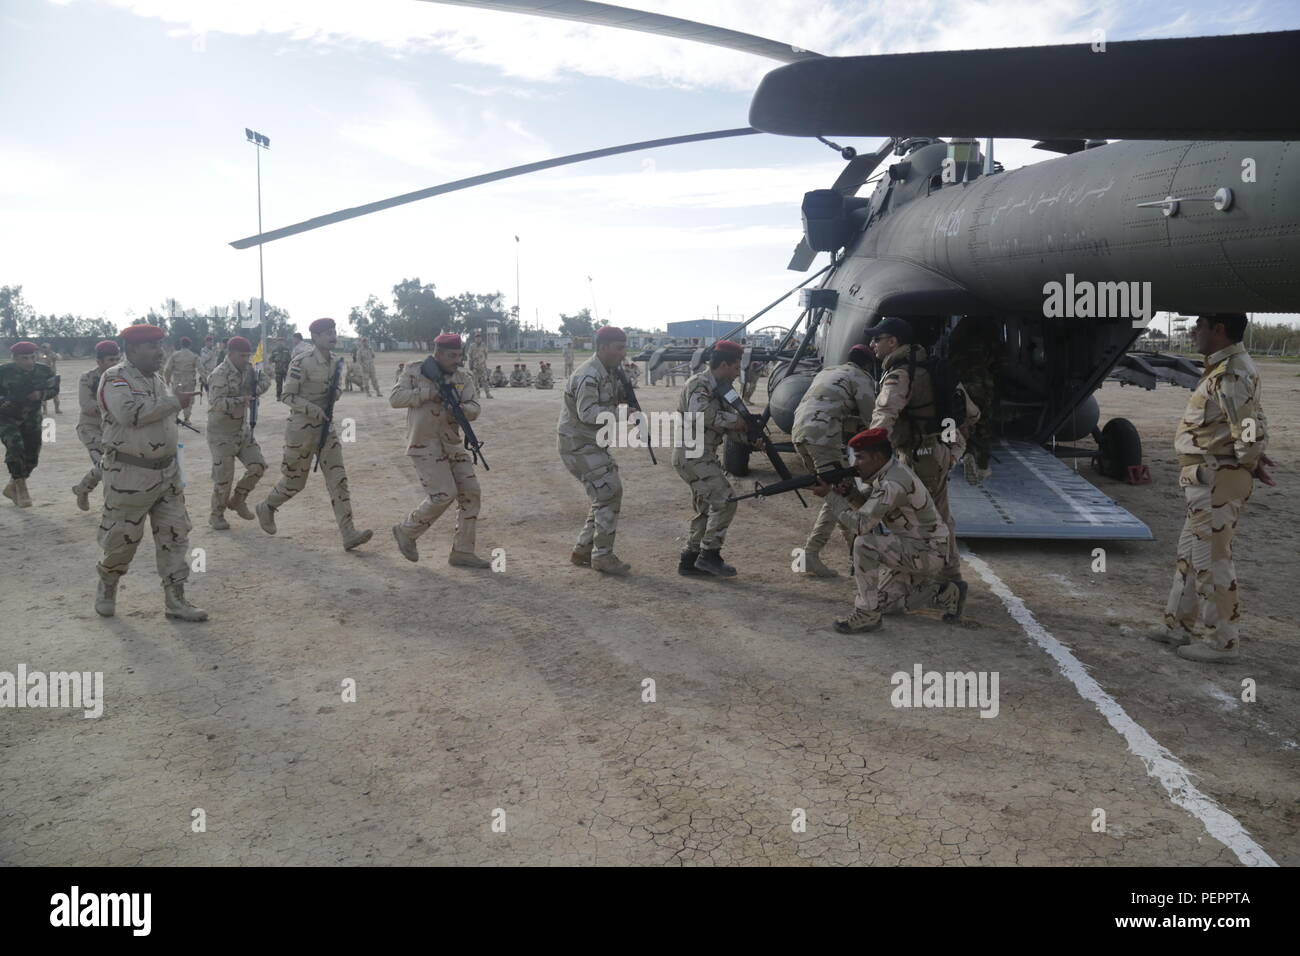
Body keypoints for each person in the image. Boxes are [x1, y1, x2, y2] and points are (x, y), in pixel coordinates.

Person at [1149, 313, 1273, 663]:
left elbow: (1248, 429)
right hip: (1208, 479)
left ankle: (1222, 641)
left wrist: (1249, 461)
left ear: (1218, 329)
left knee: (1212, 561)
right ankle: (1178, 625)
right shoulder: (1224, 367)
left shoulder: (1232, 371)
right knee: (1190, 556)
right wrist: (1252, 458)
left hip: (1217, 480)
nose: (1193, 331)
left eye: (1199, 326)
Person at [94, 324, 206, 620]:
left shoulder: (156, 378)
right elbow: (129, 415)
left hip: (167, 474)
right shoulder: (116, 378)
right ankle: (107, 583)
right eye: (152, 346)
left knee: (175, 535)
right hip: (130, 476)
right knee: (122, 541)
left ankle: (176, 599)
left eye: (160, 345)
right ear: (132, 349)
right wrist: (174, 402)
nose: (160, 352)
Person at [809, 427, 966, 634]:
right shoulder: (888, 472)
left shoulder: (892, 483)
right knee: (885, 604)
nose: (855, 464)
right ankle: (945, 592)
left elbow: (861, 525)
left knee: (864, 544)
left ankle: (866, 615)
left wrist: (830, 496)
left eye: (860, 458)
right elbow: (869, 507)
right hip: (916, 548)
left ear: (877, 457)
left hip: (926, 550)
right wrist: (848, 494)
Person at [869, 317, 977, 587]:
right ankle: (950, 578)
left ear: (893, 342)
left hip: (919, 458)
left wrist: (868, 455)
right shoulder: (934, 368)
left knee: (916, 522)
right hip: (938, 453)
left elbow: (884, 416)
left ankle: (912, 585)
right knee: (941, 518)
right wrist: (951, 445)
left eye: (877, 339)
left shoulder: (900, 374)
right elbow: (972, 413)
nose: (872, 344)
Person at [255, 317, 373, 551]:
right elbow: (287, 396)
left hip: (326, 430)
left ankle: (348, 532)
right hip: (301, 430)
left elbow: (337, 390)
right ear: (315, 337)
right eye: (327, 332)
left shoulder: (336, 362)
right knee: (295, 482)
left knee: (338, 479)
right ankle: (266, 507)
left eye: (334, 331)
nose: (332, 335)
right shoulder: (301, 361)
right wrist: (313, 409)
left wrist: (335, 393)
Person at [389, 333, 490, 569]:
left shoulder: (463, 377)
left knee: (471, 492)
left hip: (452, 443)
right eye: (452, 355)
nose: (457, 360)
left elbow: (475, 407)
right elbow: (395, 398)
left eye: (459, 355)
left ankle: (463, 551)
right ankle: (406, 531)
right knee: (443, 494)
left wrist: (460, 410)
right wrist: (427, 395)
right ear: (438, 354)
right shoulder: (414, 370)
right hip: (423, 444)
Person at [791, 343, 878, 577]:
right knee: (840, 492)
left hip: (799, 433)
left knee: (833, 492)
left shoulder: (827, 371)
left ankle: (850, 553)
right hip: (823, 438)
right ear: (868, 364)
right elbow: (873, 420)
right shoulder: (861, 377)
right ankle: (814, 553)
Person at [558, 325, 633, 575]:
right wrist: (621, 413)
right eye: (619, 348)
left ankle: (583, 549)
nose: (623, 353)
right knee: (610, 490)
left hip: (591, 444)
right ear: (603, 347)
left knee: (604, 493)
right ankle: (602, 555)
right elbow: (587, 413)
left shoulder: (609, 371)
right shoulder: (589, 375)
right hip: (579, 445)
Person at [672, 340, 750, 577]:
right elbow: (701, 414)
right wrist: (735, 422)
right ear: (724, 364)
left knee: (707, 508)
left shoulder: (724, 390)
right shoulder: (700, 383)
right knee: (726, 500)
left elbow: (726, 425)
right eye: (736, 368)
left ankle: (690, 560)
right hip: (692, 454)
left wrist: (748, 437)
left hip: (703, 454)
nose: (738, 374)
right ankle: (709, 555)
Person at [206, 335, 272, 530]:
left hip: (241, 431)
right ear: (231, 354)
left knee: (258, 466)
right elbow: (216, 403)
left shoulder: (248, 370)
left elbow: (258, 387)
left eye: (248, 355)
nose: (246, 359)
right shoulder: (220, 374)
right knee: (224, 478)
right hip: (221, 434)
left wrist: (261, 385)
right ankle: (216, 515)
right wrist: (240, 400)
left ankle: (237, 500)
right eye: (242, 355)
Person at [0, 341, 60, 507]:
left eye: (32, 357)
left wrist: (41, 394)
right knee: (15, 445)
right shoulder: (3, 372)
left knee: (32, 457)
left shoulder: (44, 370)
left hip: (32, 418)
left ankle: (12, 486)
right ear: (14, 358)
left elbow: (54, 388)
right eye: (24, 358)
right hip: (6, 417)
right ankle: (21, 487)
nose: (29, 361)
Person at [72, 339, 121, 511]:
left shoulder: (124, 376)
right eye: (110, 360)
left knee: (117, 465)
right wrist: (119, 406)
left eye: (117, 359)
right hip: (91, 428)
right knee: (106, 464)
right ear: (99, 362)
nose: (115, 363)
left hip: (114, 430)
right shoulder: (88, 378)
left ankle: (81, 488)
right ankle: (108, 505)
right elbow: (87, 407)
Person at [163, 335, 200, 423]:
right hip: (189, 382)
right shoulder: (194, 356)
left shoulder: (174, 355)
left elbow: (167, 369)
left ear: (181, 344)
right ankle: (187, 419)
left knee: (176, 399)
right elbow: (200, 369)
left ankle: (174, 417)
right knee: (189, 399)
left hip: (177, 381)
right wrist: (205, 380)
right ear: (189, 345)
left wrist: (167, 381)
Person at [468, 332, 493, 399]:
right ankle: (477, 394)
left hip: (482, 366)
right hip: (475, 366)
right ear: (475, 338)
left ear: (481, 338)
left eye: (479, 337)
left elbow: (486, 355)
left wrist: (483, 361)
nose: (478, 339)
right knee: (475, 381)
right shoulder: (472, 346)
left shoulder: (484, 345)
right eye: (476, 337)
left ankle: (488, 394)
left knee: (485, 380)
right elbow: (470, 356)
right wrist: (470, 365)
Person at [38, 342, 60, 415]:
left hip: (52, 375)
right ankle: (45, 410)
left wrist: (52, 355)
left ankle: (57, 409)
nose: (44, 349)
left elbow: (59, 358)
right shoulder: (40, 355)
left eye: (46, 347)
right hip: (43, 377)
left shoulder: (52, 354)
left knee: (55, 393)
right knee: (44, 394)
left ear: (49, 348)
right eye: (43, 347)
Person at [198, 335, 220, 401]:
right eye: (209, 342)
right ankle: (210, 404)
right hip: (207, 372)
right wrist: (212, 352)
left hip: (215, 372)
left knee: (215, 390)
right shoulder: (203, 350)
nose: (211, 343)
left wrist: (217, 351)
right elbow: (204, 359)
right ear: (206, 342)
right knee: (209, 391)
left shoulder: (214, 350)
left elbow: (217, 359)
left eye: (211, 342)